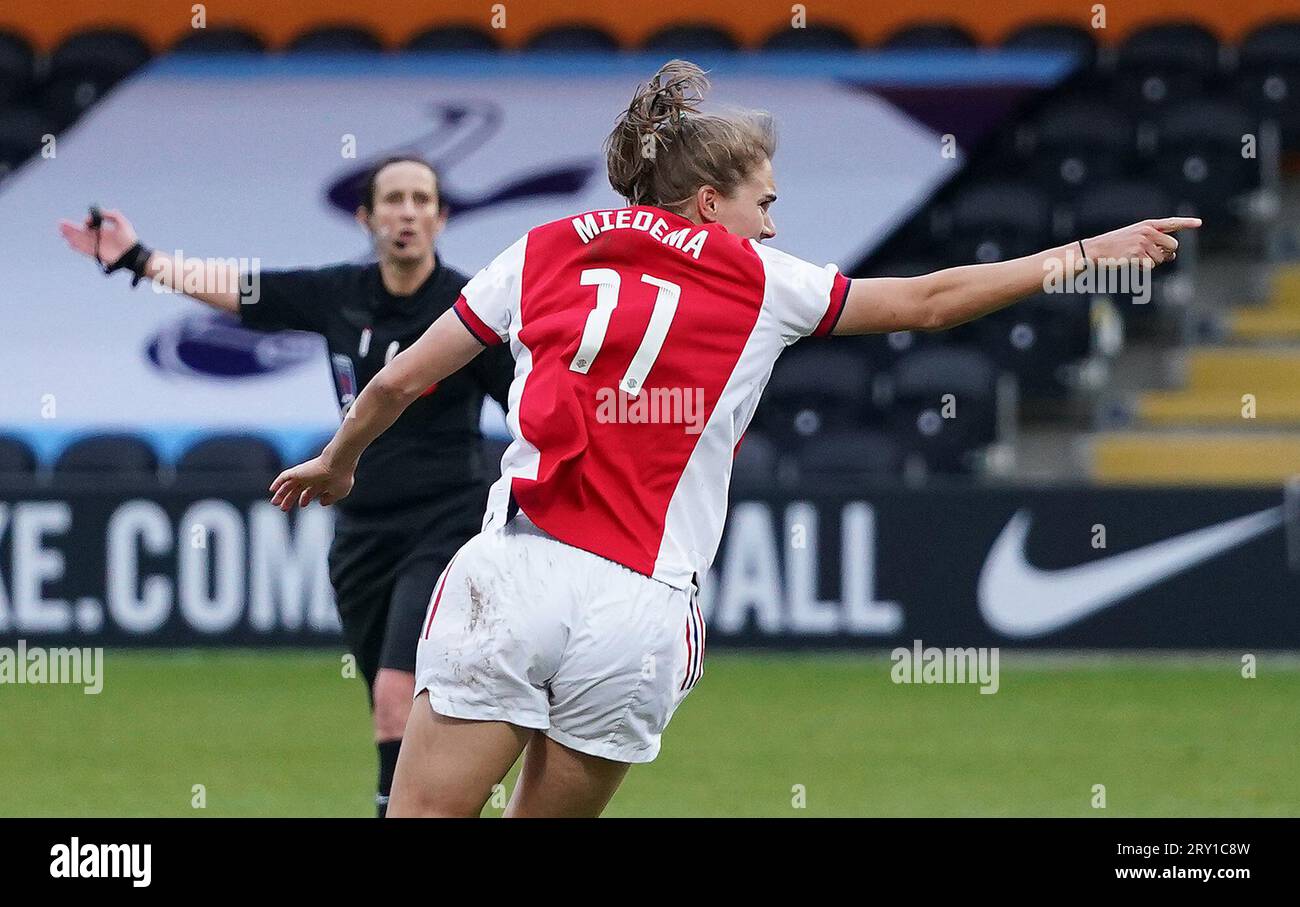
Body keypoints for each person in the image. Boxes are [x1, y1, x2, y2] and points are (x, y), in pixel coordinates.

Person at [267, 60, 1200, 818]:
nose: (773, 221)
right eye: (765, 200)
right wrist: (1078, 253)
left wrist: (338, 459)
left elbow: (399, 376)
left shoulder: (544, 247)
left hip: (515, 573)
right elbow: (927, 300)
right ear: (710, 201)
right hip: (640, 611)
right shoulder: (763, 280)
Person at [58, 156, 514, 817]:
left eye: (422, 199)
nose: (408, 211)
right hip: (360, 532)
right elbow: (243, 290)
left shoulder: (470, 309)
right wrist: (139, 258)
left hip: (449, 524)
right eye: (394, 199)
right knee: (392, 708)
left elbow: (530, 403)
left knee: (398, 692)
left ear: (442, 216)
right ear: (367, 217)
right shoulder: (338, 293)